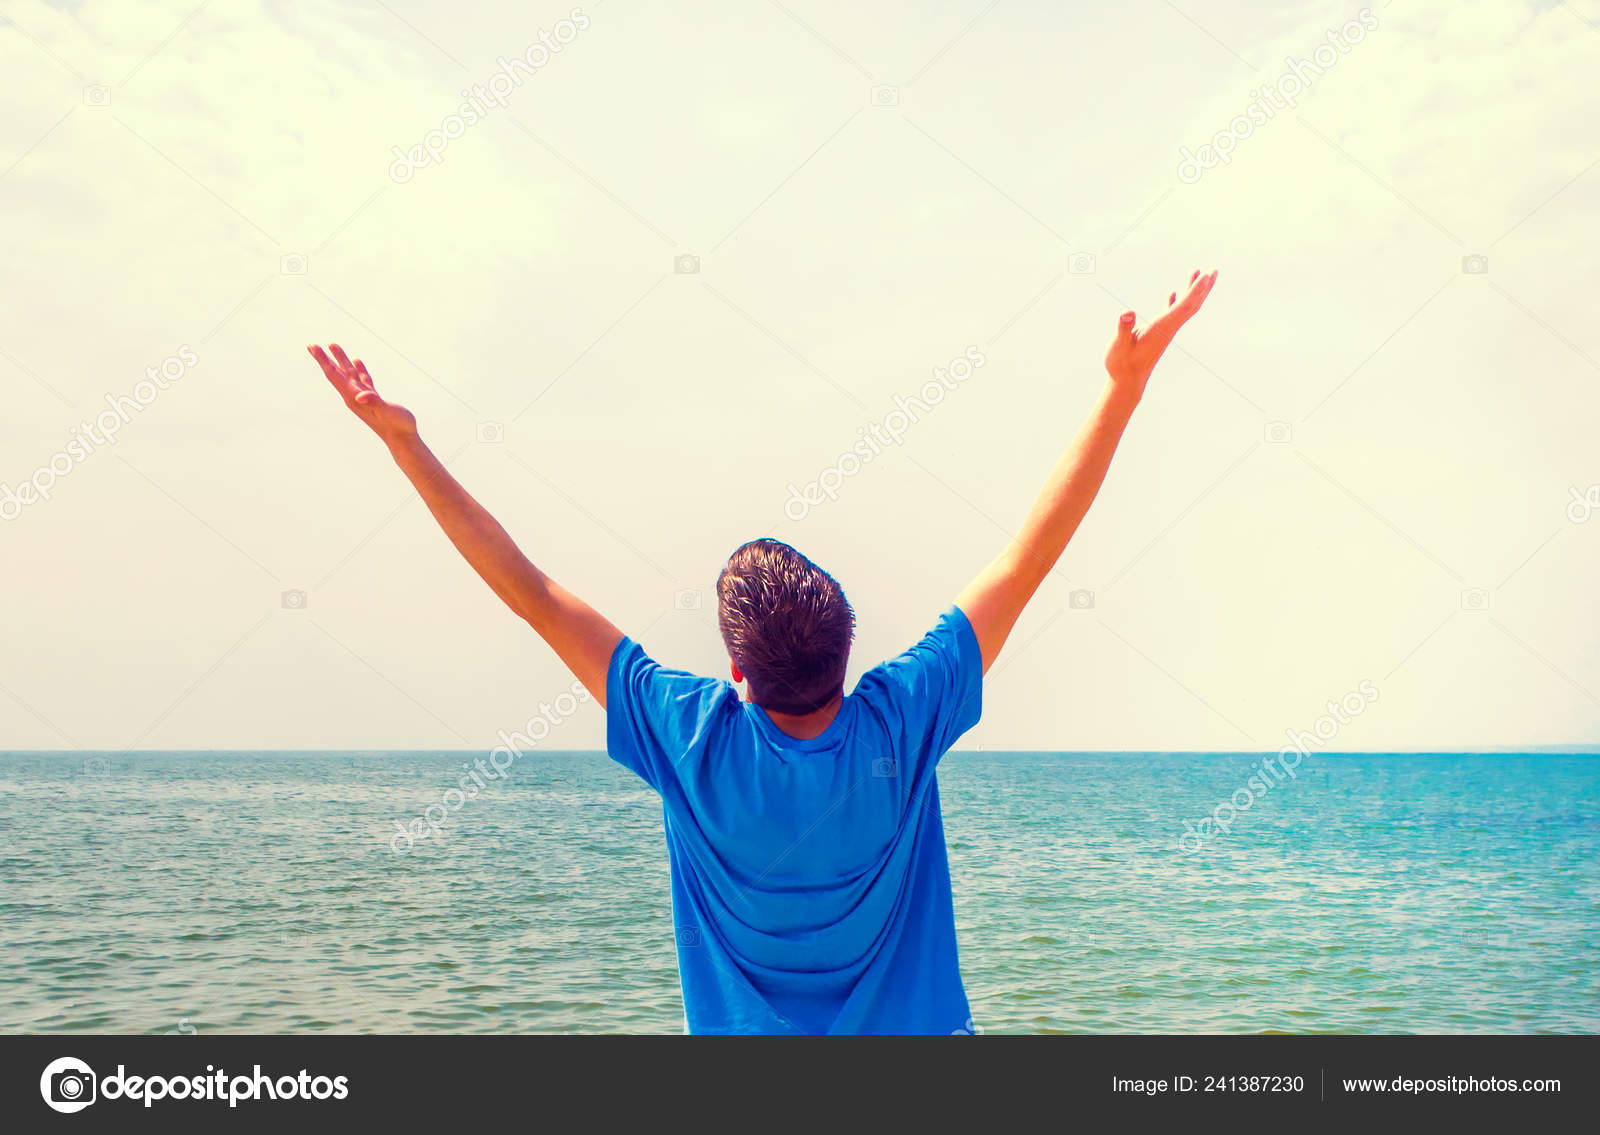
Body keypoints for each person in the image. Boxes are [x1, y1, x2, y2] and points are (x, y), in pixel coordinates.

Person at [307, 268, 1219, 1033]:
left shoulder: (690, 736)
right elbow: (1031, 554)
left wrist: (407, 446)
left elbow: (530, 592)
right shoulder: (900, 718)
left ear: (735, 674)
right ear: (849, 655)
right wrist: (1120, 390)